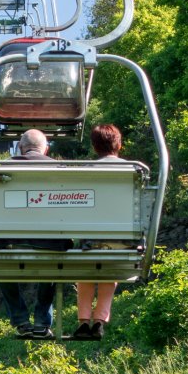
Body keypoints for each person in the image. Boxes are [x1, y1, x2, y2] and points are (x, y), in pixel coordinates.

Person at [0, 128, 68, 339]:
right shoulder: (61, 169)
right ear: (46, 149)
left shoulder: (1, 168)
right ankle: (42, 321)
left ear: (20, 148)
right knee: (53, 265)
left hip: (8, 241)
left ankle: (20, 319)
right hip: (51, 242)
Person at [72, 123, 125, 340]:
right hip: (124, 241)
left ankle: (84, 321)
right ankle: (100, 320)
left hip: (91, 241)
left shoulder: (87, 172)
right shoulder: (134, 169)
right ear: (118, 144)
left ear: (95, 147)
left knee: (86, 273)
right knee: (109, 274)